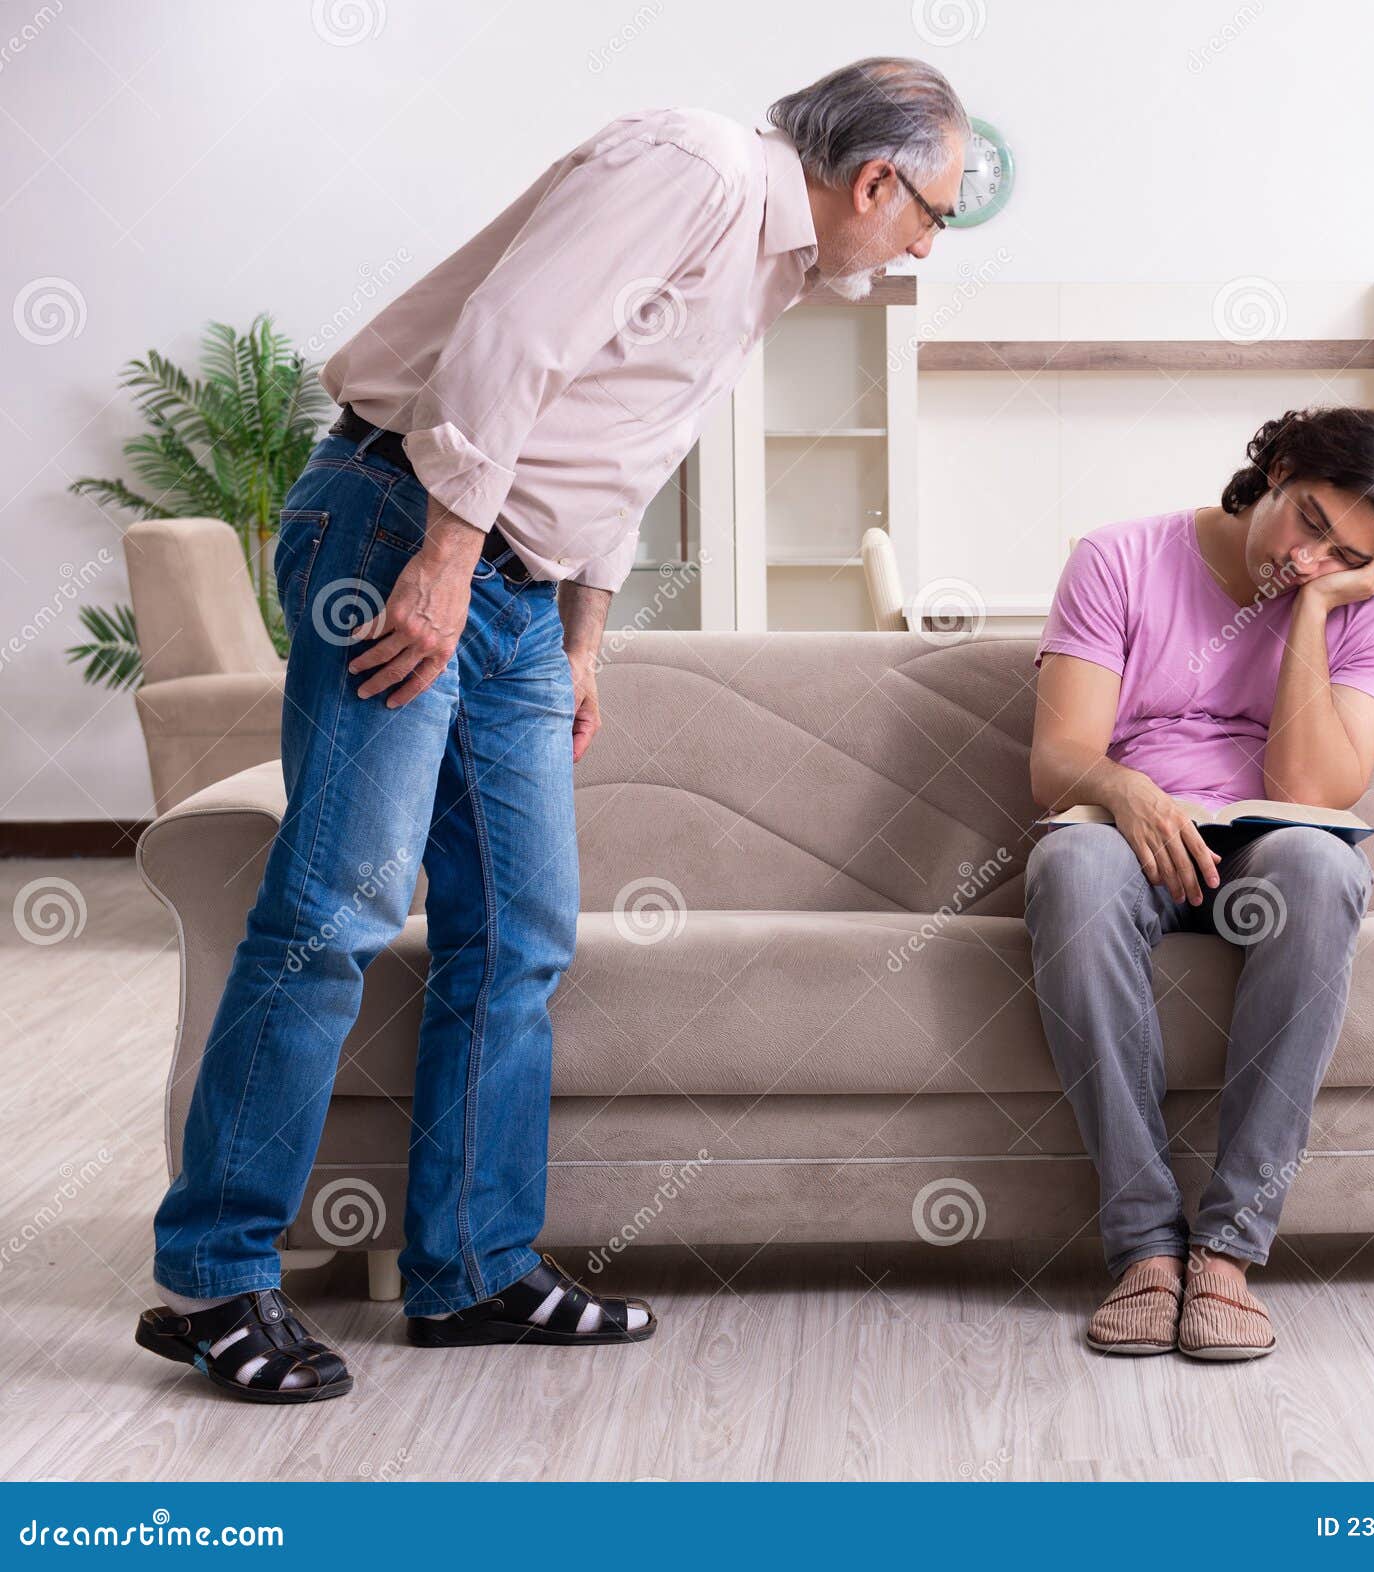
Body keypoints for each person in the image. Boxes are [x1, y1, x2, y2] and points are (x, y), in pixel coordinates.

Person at [135, 58, 969, 1404]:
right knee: (340, 908)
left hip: (516, 588)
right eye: (936, 212)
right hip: (405, 521)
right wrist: (448, 563)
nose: (931, 240)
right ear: (876, 180)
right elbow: (509, 345)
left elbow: (626, 445)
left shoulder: (770, 268)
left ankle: (469, 1270)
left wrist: (580, 639)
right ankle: (211, 1279)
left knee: (522, 928)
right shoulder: (694, 170)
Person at [1024, 407, 1374, 1360]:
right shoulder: (1118, 558)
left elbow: (1308, 792)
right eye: (1306, 521)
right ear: (1277, 469)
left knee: (1320, 861)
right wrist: (1131, 792)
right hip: (1125, 834)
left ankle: (1225, 1253)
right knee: (1070, 862)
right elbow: (1059, 759)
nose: (1309, 557)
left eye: (1343, 555)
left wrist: (1311, 610)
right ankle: (1145, 1251)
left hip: (1263, 844)